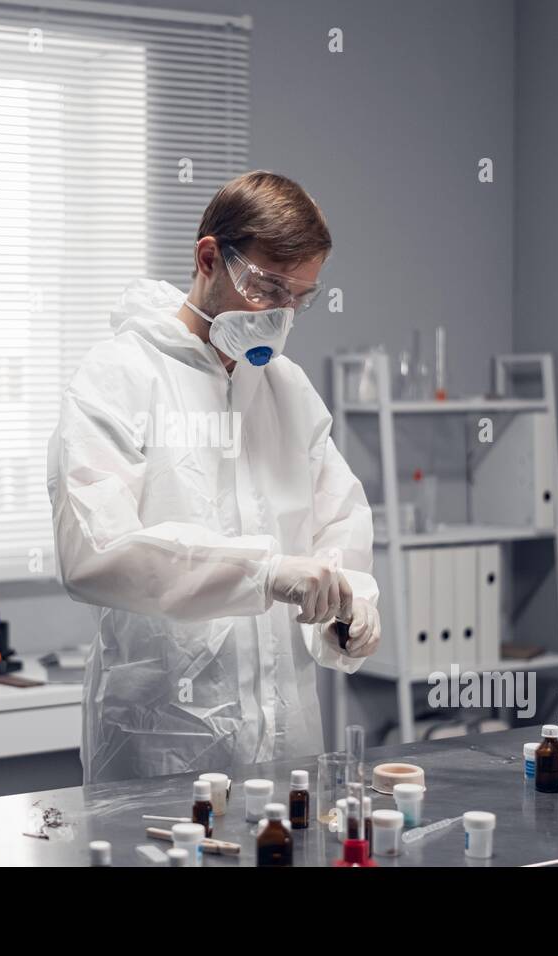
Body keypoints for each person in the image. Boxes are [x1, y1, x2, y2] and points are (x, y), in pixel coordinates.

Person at [47, 171, 381, 784]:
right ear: (209, 257)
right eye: (266, 288)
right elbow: (95, 552)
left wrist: (350, 598)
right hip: (163, 743)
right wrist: (266, 571)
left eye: (299, 298)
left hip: (288, 745)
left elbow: (338, 519)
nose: (281, 315)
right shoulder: (120, 376)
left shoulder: (287, 389)